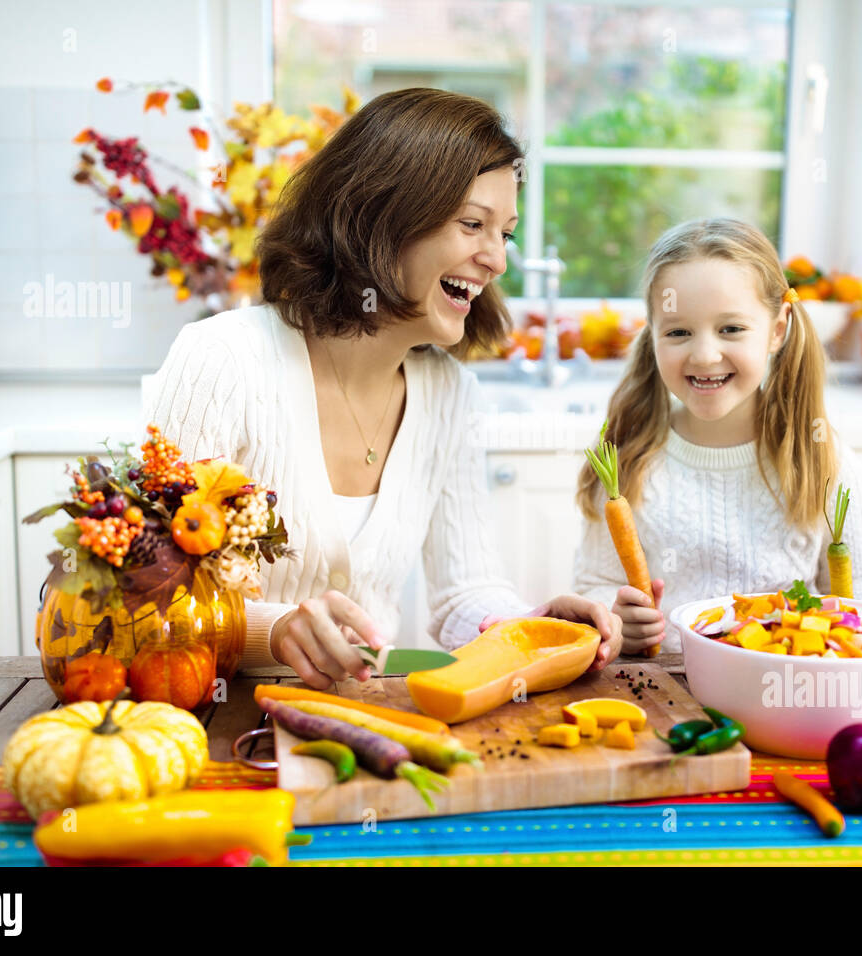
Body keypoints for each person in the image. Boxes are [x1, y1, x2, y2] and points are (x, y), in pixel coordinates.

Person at [146, 88, 622, 690]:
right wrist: (275, 629)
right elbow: (150, 596)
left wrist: (525, 626)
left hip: (366, 719)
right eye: (473, 224)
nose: (497, 260)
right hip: (213, 714)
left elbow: (463, 592)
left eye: (506, 234)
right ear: (382, 217)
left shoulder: (450, 395)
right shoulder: (223, 361)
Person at [573, 218, 862, 654]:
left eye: (731, 329)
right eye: (678, 332)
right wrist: (616, 623)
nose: (705, 355)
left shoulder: (824, 459)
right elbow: (594, 588)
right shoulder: (628, 457)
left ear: (777, 329)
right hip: (668, 701)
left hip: (792, 694)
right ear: (652, 334)